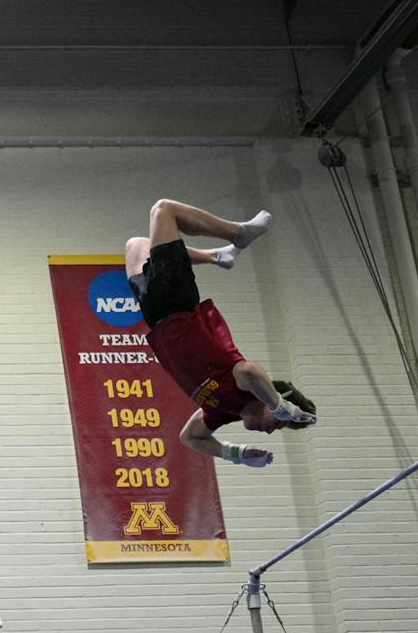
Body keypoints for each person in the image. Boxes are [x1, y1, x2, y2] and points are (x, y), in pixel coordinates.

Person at [123, 198, 317, 467]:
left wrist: (235, 454)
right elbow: (248, 371)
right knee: (164, 210)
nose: (272, 431)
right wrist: (279, 407)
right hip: (177, 305)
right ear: (275, 399)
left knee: (136, 246)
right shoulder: (248, 389)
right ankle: (238, 233)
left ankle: (217, 256)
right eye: (278, 425)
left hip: (154, 316)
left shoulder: (224, 411)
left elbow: (190, 437)